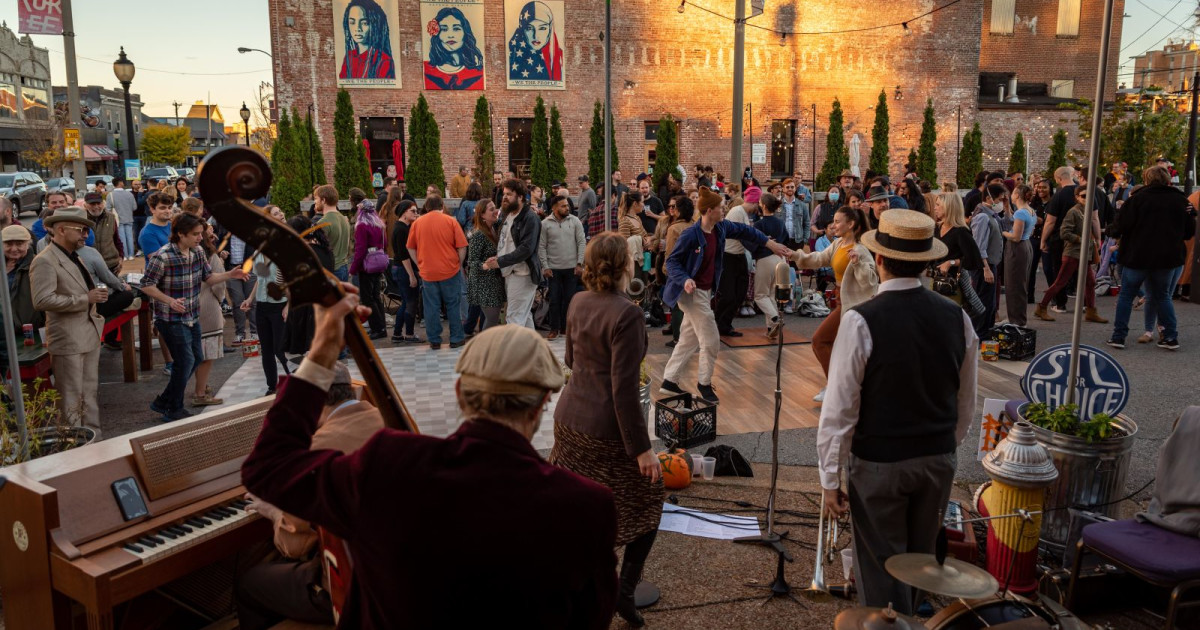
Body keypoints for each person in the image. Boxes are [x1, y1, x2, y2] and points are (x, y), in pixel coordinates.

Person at [242, 298, 619, 628]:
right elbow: (591, 618)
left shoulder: (388, 466)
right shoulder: (587, 505)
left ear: (459, 392)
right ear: (543, 403)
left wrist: (323, 349)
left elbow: (269, 466)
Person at [818, 209, 978, 615]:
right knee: (921, 560)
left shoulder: (860, 320)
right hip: (938, 455)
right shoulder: (957, 316)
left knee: (879, 566)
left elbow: (840, 410)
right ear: (926, 262)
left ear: (882, 260)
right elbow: (965, 401)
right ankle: (909, 616)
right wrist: (942, 443)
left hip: (879, 461)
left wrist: (830, 478)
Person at [549, 233, 661, 627]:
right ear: (623, 265)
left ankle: (578, 585)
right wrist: (642, 449)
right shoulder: (626, 313)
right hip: (603, 429)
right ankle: (622, 593)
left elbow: (569, 358)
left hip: (568, 420)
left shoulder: (578, 301)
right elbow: (624, 391)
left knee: (578, 506)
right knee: (647, 503)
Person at [236, 362, 383, 630]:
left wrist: (271, 510)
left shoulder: (316, 450)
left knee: (250, 583)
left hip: (349, 588)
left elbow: (295, 545)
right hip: (388, 572)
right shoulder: (382, 418)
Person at [660, 188, 790, 403]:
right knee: (711, 340)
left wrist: (771, 244)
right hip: (690, 293)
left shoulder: (720, 228)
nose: (724, 210)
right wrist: (685, 279)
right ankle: (704, 384)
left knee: (688, 339)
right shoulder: (690, 234)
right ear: (709, 210)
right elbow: (672, 262)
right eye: (721, 208)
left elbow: (746, 231)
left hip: (703, 291)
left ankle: (669, 380)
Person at [141, 214, 248, 420]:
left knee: (197, 358)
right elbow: (146, 284)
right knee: (186, 361)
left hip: (192, 315)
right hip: (170, 319)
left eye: (201, 233)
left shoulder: (197, 251)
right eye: (195, 234)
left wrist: (229, 274)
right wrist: (169, 300)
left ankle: (165, 400)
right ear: (180, 234)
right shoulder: (162, 256)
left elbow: (208, 277)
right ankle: (173, 408)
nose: (200, 238)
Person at [29, 208, 107, 435]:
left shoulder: (75, 255)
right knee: (71, 397)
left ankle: (93, 439)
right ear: (61, 230)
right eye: (81, 229)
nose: (86, 234)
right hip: (68, 337)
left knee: (89, 393)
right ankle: (74, 445)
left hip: (87, 333)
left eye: (87, 230)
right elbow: (42, 300)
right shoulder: (44, 260)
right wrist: (85, 299)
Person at [790, 205, 877, 402]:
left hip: (854, 305)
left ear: (851, 224)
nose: (833, 225)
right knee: (839, 347)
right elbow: (819, 258)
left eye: (838, 222)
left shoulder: (860, 250)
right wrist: (795, 256)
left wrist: (857, 263)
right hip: (840, 302)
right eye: (834, 221)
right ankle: (841, 387)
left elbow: (870, 281)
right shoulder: (838, 244)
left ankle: (837, 387)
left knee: (820, 341)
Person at [1107, 165, 1196, 350]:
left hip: (1137, 255)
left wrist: (1111, 231)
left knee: (1126, 295)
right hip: (1167, 257)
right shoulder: (1180, 201)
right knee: (1163, 296)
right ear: (1167, 179)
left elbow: (1119, 227)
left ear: (1147, 179)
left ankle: (1119, 336)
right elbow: (1189, 232)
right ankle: (1170, 336)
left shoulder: (1137, 199)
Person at [1034, 186, 1107, 325]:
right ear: (1077, 197)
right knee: (1060, 282)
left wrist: (1093, 241)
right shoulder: (1073, 212)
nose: (1087, 198)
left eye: (1090, 195)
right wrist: (1082, 239)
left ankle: (1091, 311)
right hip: (1073, 253)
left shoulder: (1085, 212)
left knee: (1091, 282)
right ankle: (1041, 307)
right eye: (1084, 196)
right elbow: (1064, 232)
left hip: (1083, 253)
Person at [407, 194, 468, 349]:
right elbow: (462, 246)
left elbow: (410, 247)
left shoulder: (417, 223)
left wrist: (419, 264)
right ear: (442, 206)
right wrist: (458, 263)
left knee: (431, 306)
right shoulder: (451, 221)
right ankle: (456, 338)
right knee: (453, 304)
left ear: (427, 207)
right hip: (449, 269)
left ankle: (434, 339)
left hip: (427, 271)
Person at [484, 178, 541, 329]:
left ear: (520, 197)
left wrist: (501, 261)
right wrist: (498, 258)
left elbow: (526, 249)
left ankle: (513, 352)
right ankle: (533, 351)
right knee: (524, 316)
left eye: (509, 194)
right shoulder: (508, 215)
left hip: (522, 274)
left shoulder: (530, 218)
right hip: (511, 273)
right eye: (504, 194)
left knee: (514, 318)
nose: (504, 197)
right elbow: (507, 243)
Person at [538, 195, 586, 340]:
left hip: (572, 268)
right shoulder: (545, 224)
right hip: (553, 269)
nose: (567, 208)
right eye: (563, 206)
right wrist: (545, 267)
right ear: (554, 208)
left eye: (567, 205)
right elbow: (541, 246)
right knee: (554, 300)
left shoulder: (575, 220)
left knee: (570, 300)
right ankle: (554, 329)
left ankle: (566, 328)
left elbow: (581, 242)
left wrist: (579, 263)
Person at [715, 186, 760, 337]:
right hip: (729, 256)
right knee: (729, 295)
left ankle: (724, 324)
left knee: (740, 294)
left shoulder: (744, 214)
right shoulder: (737, 213)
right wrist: (761, 247)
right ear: (754, 202)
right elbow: (743, 237)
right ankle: (720, 324)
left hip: (739, 256)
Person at [193, 225, 226, 406]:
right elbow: (219, 284)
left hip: (190, 308)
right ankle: (200, 393)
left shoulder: (187, 255)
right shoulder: (210, 256)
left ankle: (202, 387)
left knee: (198, 352)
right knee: (207, 355)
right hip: (208, 307)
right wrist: (220, 301)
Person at [969, 183, 1006, 336]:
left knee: (989, 303)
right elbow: (979, 245)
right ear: (990, 198)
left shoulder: (990, 214)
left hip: (991, 263)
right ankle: (980, 333)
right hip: (985, 265)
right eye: (1000, 199)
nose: (1002, 203)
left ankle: (986, 331)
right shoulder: (982, 216)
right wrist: (986, 268)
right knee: (983, 302)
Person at [1039, 167, 1077, 314]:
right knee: (1081, 271)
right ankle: (1086, 303)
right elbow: (1094, 218)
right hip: (1080, 238)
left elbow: (1050, 221)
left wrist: (1043, 240)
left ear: (1058, 178)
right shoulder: (1084, 192)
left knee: (1059, 271)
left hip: (1059, 238)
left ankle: (1060, 303)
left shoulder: (1059, 195)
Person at [751, 193, 789, 339]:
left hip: (765, 259)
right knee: (772, 295)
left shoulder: (759, 224)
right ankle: (770, 329)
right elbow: (786, 238)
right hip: (781, 260)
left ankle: (774, 318)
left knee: (760, 295)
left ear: (764, 206)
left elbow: (753, 242)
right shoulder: (780, 222)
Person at [465, 198, 505, 334]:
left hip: (493, 281)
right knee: (492, 318)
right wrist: (485, 265)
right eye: (491, 209)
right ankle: (485, 348)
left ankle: (487, 346)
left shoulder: (494, 226)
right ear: (482, 215)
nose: (496, 211)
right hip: (483, 283)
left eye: (495, 207)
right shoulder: (479, 235)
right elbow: (471, 262)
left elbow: (506, 219)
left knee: (492, 318)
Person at [350, 200, 389, 339]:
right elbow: (385, 243)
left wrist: (353, 269)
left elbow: (360, 251)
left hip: (366, 266)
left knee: (367, 298)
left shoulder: (361, 226)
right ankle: (381, 326)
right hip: (378, 263)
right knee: (376, 296)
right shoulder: (379, 225)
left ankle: (377, 328)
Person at [3, 226, 42, 356]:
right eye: (8, 244)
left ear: (28, 243)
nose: (14, 249)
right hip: (3, 333)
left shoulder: (38, 264)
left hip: (30, 334)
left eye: (19, 244)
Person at [1001, 185, 1036, 326]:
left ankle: (1017, 320)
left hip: (1017, 248)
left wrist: (1002, 231)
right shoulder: (1031, 210)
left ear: (1017, 194)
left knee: (1014, 285)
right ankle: (1014, 318)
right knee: (1019, 283)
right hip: (1026, 245)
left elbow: (1015, 237)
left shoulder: (1021, 213)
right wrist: (1007, 207)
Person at [424, 9, 484, 90]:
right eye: (444, 29)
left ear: (465, 33)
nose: (450, 35)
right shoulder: (427, 69)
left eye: (456, 29)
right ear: (437, 34)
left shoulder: (478, 72)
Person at [388, 200, 422, 343]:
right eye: (413, 211)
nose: (416, 213)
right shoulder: (401, 229)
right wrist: (412, 275)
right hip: (403, 269)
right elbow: (403, 255)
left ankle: (398, 333)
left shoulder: (405, 227)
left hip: (402, 268)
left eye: (416, 211)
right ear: (404, 213)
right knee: (410, 302)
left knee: (407, 302)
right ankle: (408, 333)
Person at [507, 1, 564, 82]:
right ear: (522, 29)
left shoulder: (559, 57)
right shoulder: (512, 54)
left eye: (542, 28)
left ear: (550, 29)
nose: (536, 36)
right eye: (529, 28)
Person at [338, 0, 395, 80]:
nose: (357, 29)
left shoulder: (384, 60)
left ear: (375, 25)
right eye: (352, 22)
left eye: (364, 23)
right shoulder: (349, 56)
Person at [314, 185, 351, 281]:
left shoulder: (322, 223)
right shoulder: (344, 219)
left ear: (324, 200)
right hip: (343, 268)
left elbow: (316, 251)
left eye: (316, 198)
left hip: (331, 270)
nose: (315, 202)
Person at [83, 192, 122, 274]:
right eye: (92, 204)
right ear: (85, 205)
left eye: (99, 203)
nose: (96, 207)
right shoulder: (81, 219)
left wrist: (121, 258)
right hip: (88, 265)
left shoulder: (111, 218)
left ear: (103, 203)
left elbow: (116, 239)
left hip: (111, 264)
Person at [106, 177, 137, 261]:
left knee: (121, 238)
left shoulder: (110, 195)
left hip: (117, 219)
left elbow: (107, 209)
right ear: (120, 183)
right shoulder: (129, 194)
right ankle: (131, 255)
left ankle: (124, 255)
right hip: (129, 218)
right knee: (130, 237)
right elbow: (134, 207)